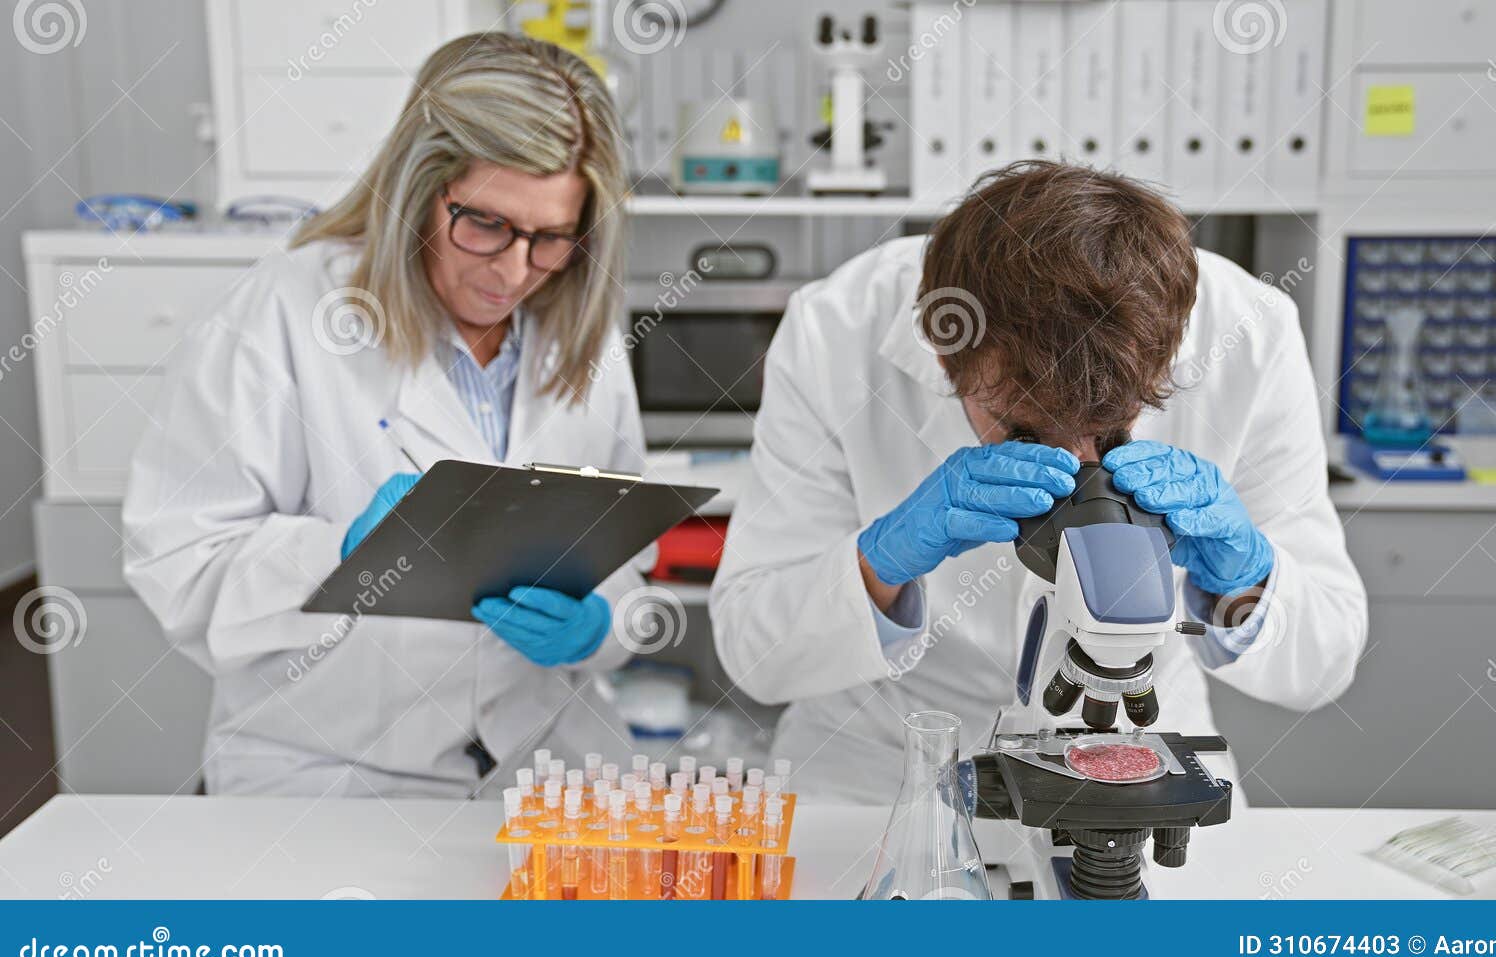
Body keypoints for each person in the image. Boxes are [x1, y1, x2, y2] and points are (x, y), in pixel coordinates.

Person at [710, 162, 1368, 802]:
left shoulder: (1251, 332)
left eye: (1109, 430)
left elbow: (1322, 665)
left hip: (1139, 747)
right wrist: (878, 564)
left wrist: (1246, 579)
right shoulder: (836, 326)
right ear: (946, 355)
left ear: (1164, 363)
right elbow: (755, 654)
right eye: (1026, 429)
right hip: (880, 764)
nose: (1074, 467)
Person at [123, 34, 645, 796]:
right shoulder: (285, 311)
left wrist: (598, 626)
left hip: (547, 770)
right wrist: (342, 555)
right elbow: (178, 565)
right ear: (415, 187)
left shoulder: (581, 328)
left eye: (553, 237)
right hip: (331, 776)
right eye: (487, 224)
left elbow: (627, 546)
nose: (512, 271)